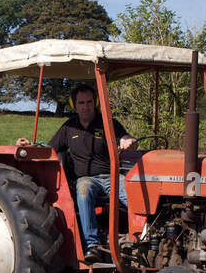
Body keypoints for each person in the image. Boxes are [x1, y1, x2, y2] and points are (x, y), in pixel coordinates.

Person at [17, 83, 136, 261]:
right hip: (87, 179)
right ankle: (92, 246)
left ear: (95, 102)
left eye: (89, 102)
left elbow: (125, 137)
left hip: (112, 177)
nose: (85, 106)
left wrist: (129, 141)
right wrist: (29, 146)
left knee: (134, 196)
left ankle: (141, 237)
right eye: (81, 103)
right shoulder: (69, 128)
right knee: (83, 190)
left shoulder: (108, 123)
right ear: (75, 105)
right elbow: (49, 148)